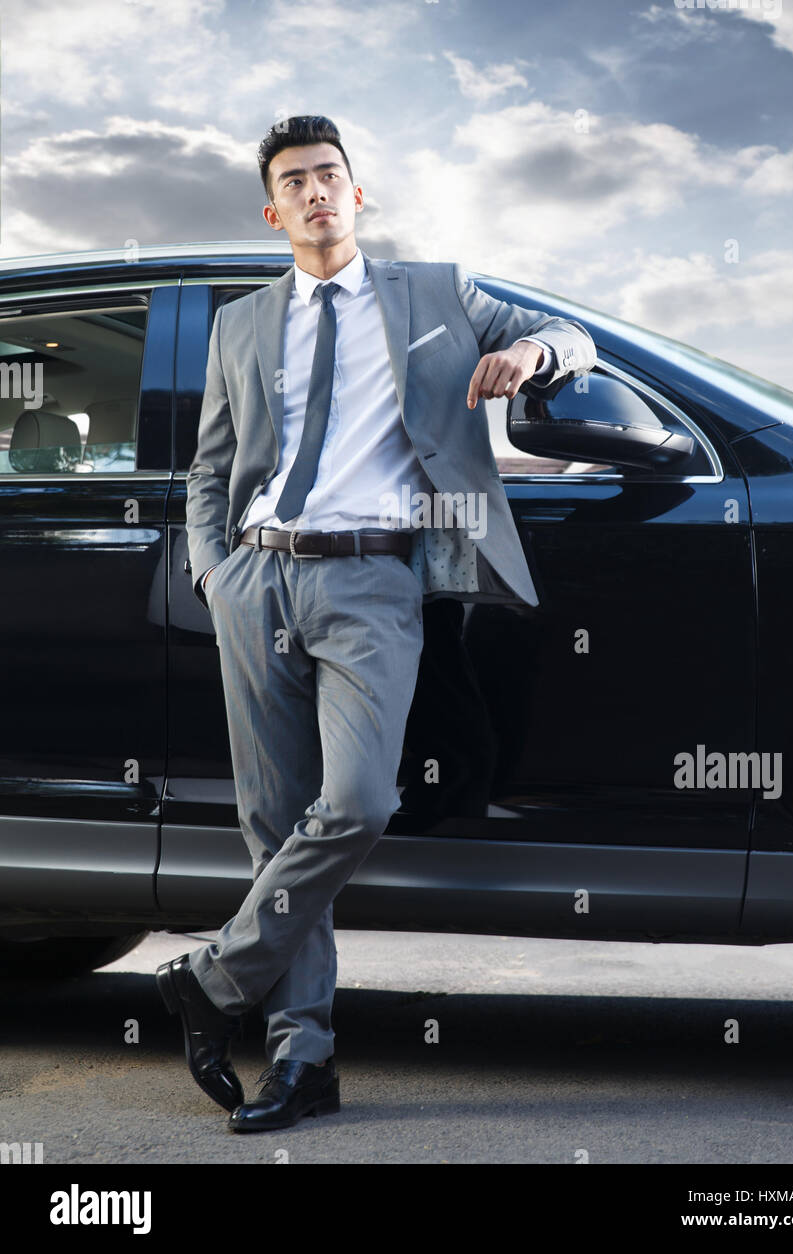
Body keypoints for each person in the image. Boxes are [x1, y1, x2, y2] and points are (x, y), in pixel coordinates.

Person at [157, 114, 597, 1133]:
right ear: (274, 211)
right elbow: (210, 469)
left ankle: (212, 979)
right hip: (257, 579)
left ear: (360, 196)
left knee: (355, 802)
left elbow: (577, 339)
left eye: (329, 175)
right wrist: (214, 569)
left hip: (373, 584)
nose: (315, 191)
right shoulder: (239, 324)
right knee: (273, 831)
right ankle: (300, 1055)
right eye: (294, 181)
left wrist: (529, 352)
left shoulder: (435, 296)